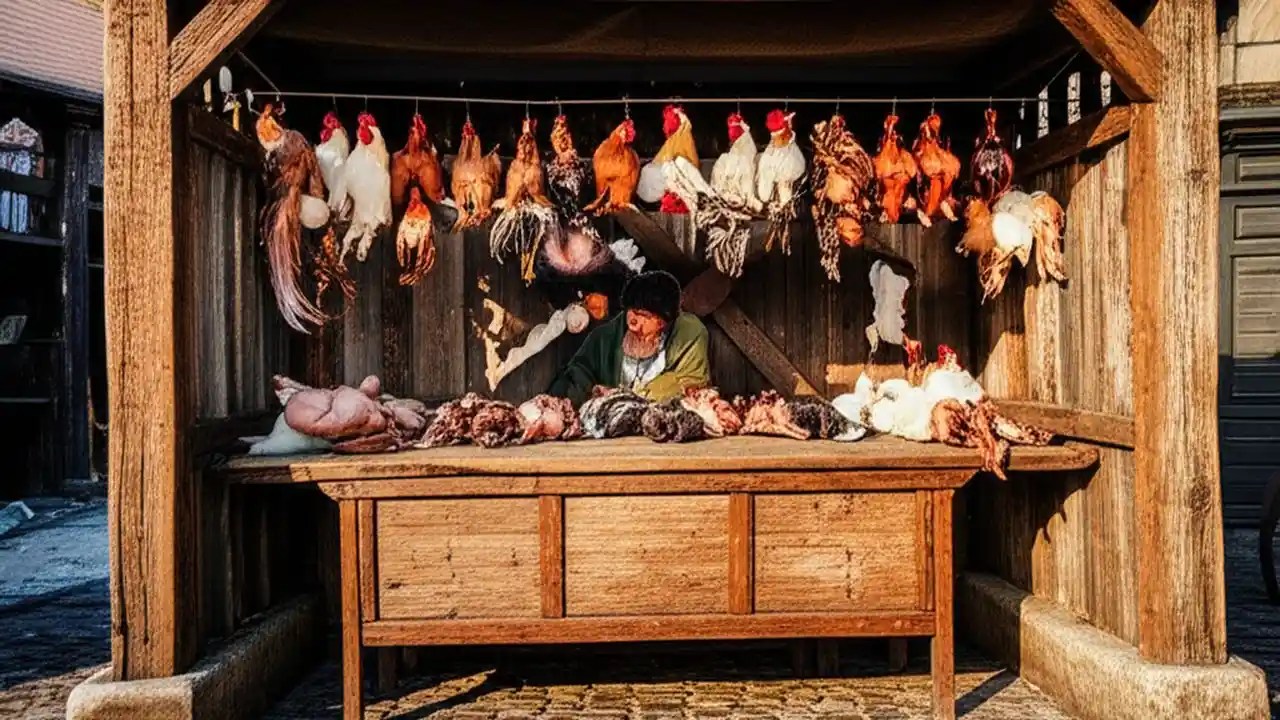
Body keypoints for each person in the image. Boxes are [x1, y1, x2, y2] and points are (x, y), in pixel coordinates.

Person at [549, 270, 710, 405]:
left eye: (643, 316)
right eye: (631, 311)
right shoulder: (604, 338)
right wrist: (557, 402)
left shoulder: (690, 335)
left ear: (663, 321)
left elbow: (691, 382)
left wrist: (636, 396)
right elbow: (578, 373)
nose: (633, 322)